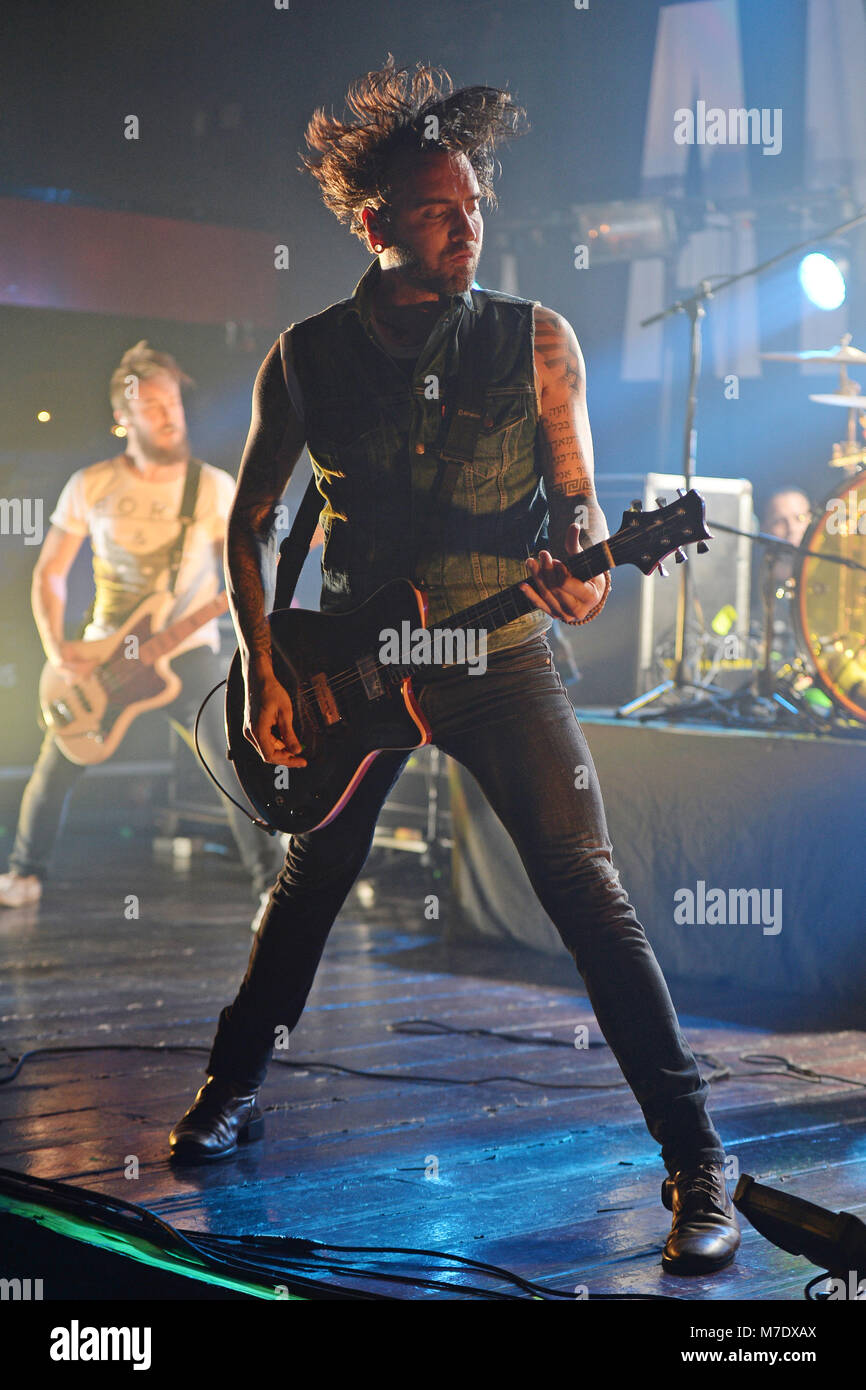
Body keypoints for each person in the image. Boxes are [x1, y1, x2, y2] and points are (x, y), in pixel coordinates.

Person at [169, 59, 739, 1275]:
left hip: (496, 651)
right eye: (439, 209)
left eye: (475, 204)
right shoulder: (305, 355)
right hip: (353, 667)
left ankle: (696, 1155)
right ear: (374, 224)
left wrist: (578, 579)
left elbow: (583, 550)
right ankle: (231, 1085)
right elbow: (250, 520)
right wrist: (264, 666)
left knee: (588, 892)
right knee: (309, 881)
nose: (466, 226)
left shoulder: (538, 341)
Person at [0, 341, 284, 918]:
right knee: (55, 766)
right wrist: (60, 651)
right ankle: (24, 874)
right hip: (105, 656)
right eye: (151, 404)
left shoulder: (209, 486)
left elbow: (246, 566)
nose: (168, 414)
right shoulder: (92, 483)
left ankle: (274, 888)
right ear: (122, 416)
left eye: (173, 402)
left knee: (233, 762)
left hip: (188, 651)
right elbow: (50, 573)